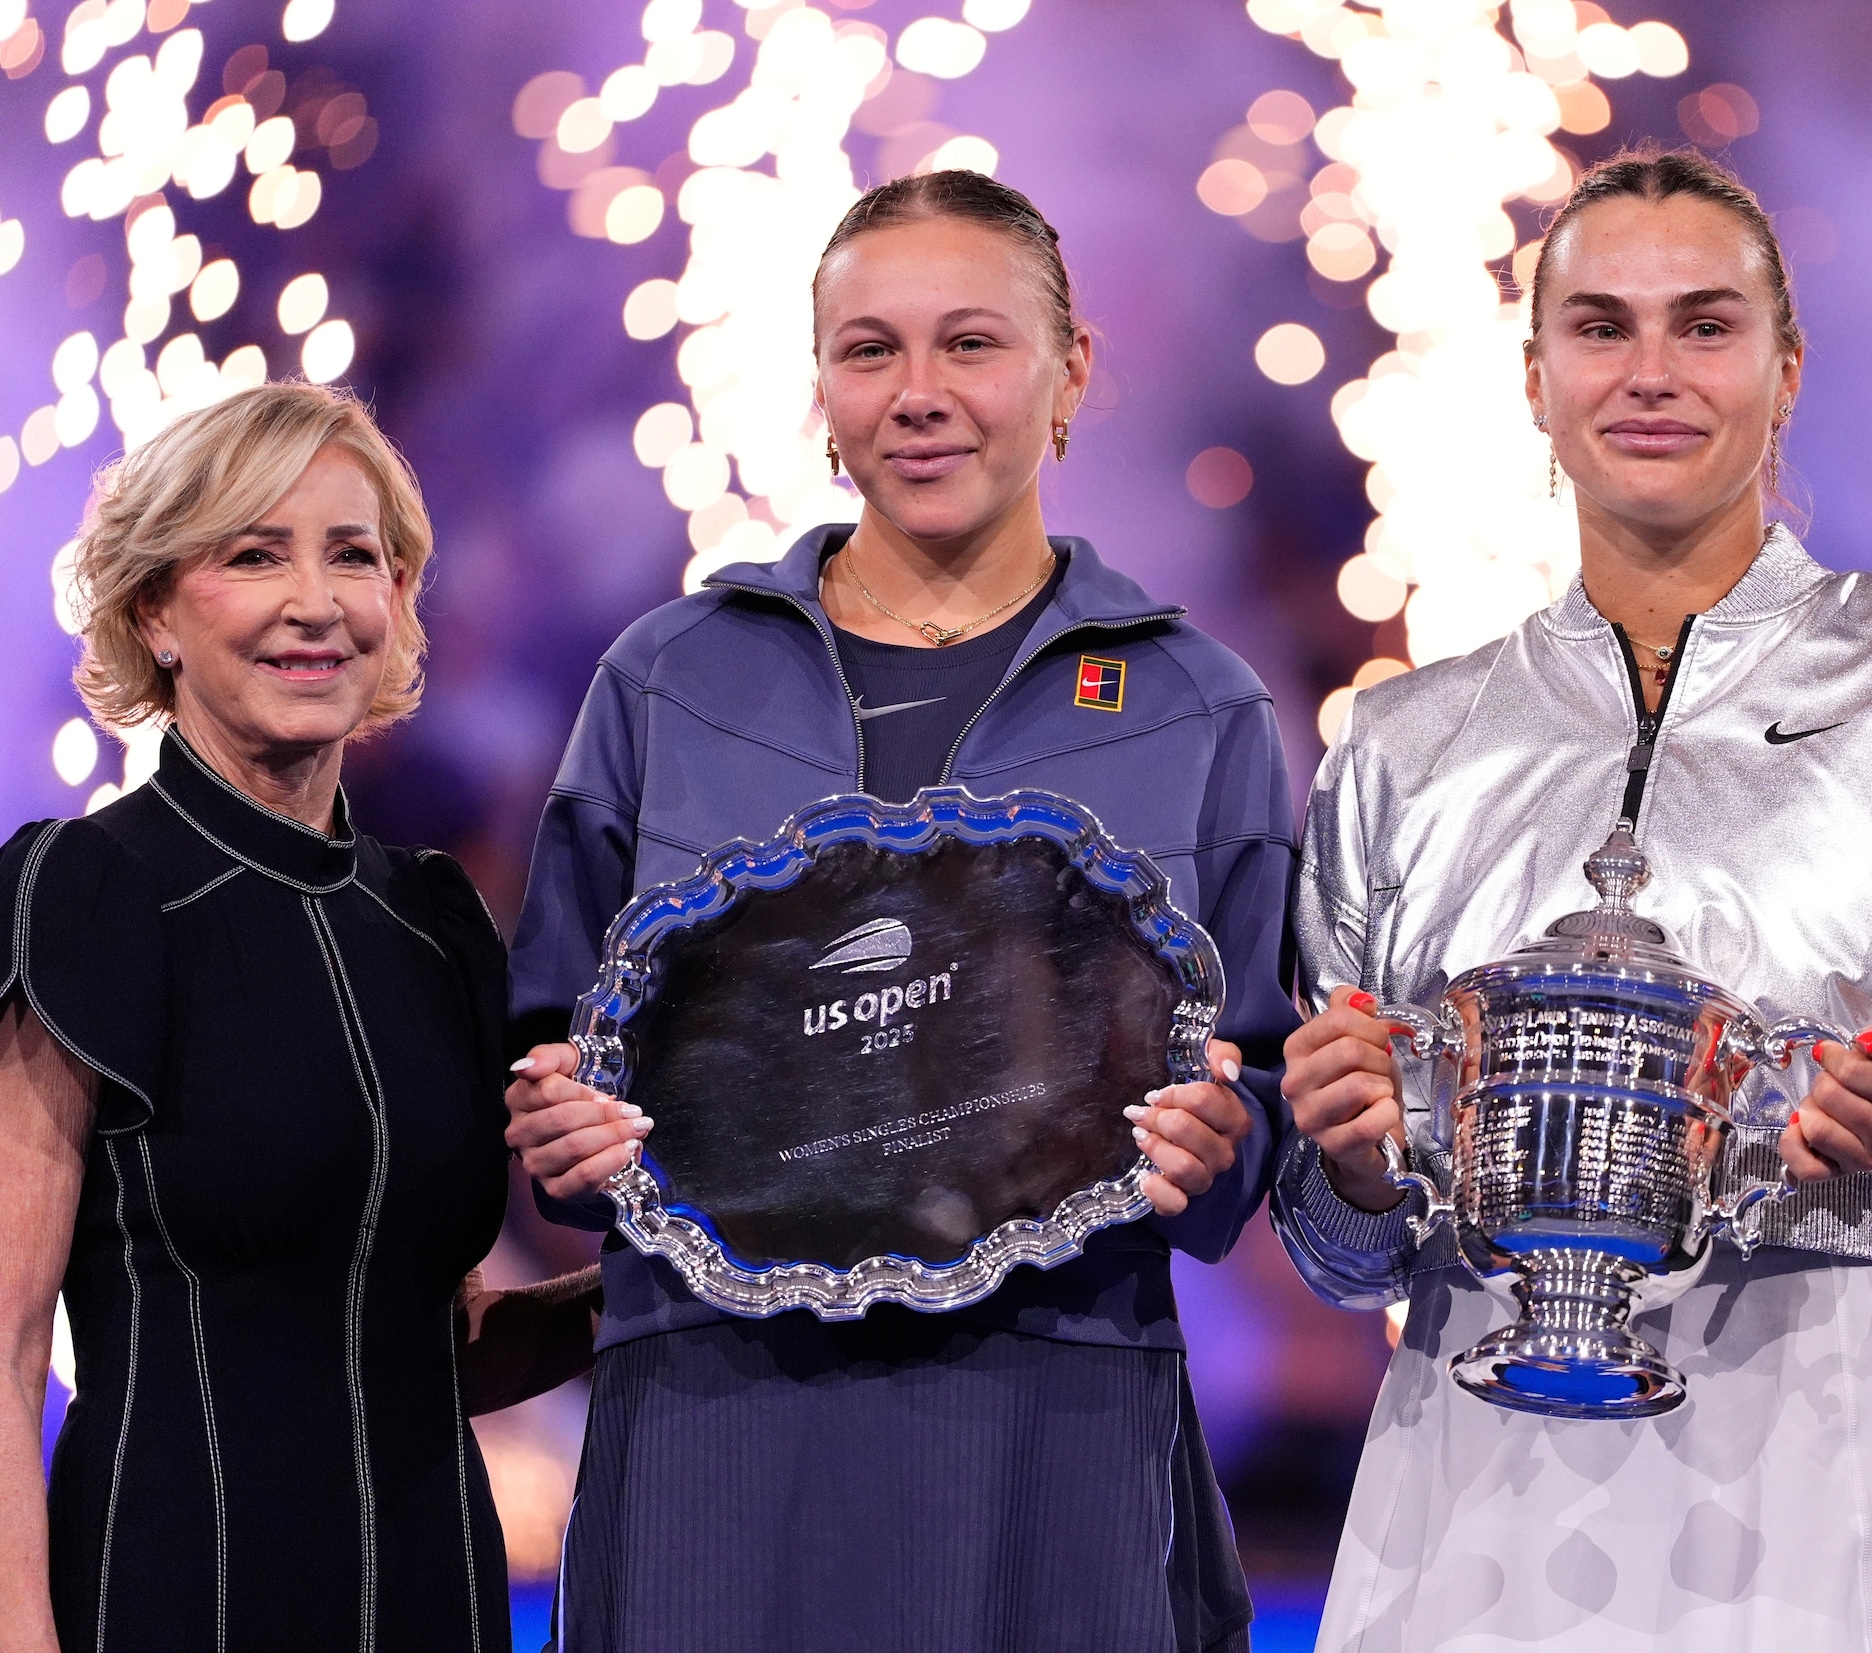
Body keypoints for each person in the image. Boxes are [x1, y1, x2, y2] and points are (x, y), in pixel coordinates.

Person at [1272, 146, 1872, 1650]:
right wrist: (1346, 1161)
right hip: (1477, 1468)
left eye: (1707, 325)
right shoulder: (1401, 743)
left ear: (1787, 371)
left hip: (1846, 1437)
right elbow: (1342, 1251)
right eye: (1602, 327)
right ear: (1534, 379)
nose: (1652, 372)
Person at [501, 171, 1294, 1653]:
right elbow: (558, 1045)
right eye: (871, 350)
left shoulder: (1198, 703)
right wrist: (552, 1132)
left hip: (1051, 1426)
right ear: (823, 391)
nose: (920, 394)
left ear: (1069, 376)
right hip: (714, 1418)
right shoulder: (667, 677)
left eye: (971, 344)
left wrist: (1231, 1144)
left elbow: (1269, 1105)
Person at [0, 383, 594, 1653]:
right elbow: (0, 1350)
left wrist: (673, 1287)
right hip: (183, 1600)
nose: (315, 602)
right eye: (254, 554)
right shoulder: (89, 890)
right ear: (154, 608)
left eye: (354, 556)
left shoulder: (435, 921)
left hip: (442, 1600)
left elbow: (422, 1339)